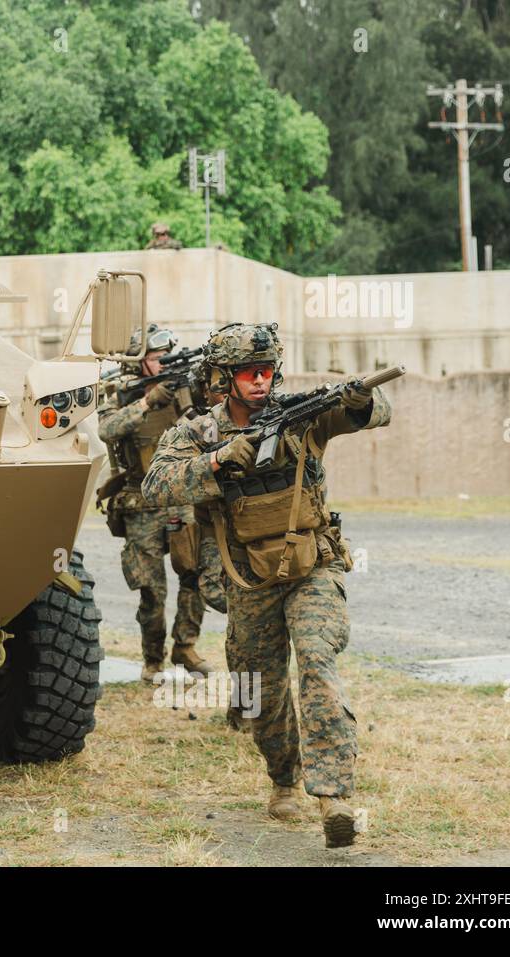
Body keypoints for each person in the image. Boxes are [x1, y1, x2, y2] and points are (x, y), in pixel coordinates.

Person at [141, 322, 392, 848]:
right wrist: (217, 462)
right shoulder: (198, 432)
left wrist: (360, 401)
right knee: (259, 690)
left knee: (317, 662)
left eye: (267, 371)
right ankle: (283, 778)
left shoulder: (302, 418)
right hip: (248, 578)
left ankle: (333, 796)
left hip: (312, 566)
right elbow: (156, 485)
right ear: (223, 379)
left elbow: (375, 414)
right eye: (249, 373)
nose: (261, 381)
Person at [97, 324, 220, 683]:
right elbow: (106, 430)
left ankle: (186, 647)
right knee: (151, 590)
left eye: (167, 356)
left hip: (181, 497)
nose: (164, 363)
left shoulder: (187, 386)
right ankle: (153, 660)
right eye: (156, 358)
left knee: (194, 574)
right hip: (141, 501)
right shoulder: (120, 392)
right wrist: (148, 401)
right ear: (139, 362)